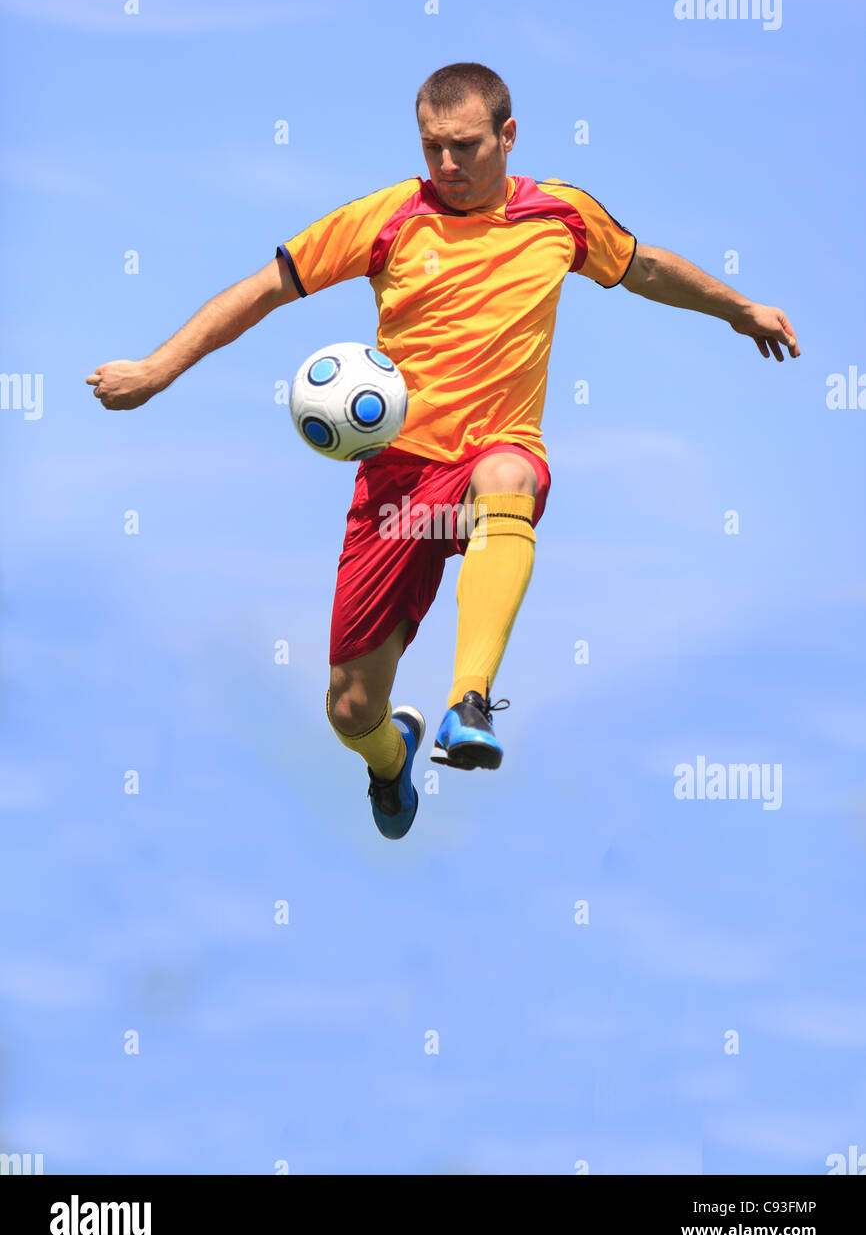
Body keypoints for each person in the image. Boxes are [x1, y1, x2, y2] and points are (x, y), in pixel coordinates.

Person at [87, 61, 800, 842]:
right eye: (432, 147)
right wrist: (157, 369)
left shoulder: (559, 216)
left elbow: (646, 267)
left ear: (508, 135)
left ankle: (470, 703)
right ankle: (391, 762)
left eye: (464, 146)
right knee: (350, 709)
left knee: (509, 474)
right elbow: (263, 288)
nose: (447, 166)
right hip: (396, 480)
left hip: (496, 450)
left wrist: (739, 309)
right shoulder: (387, 218)